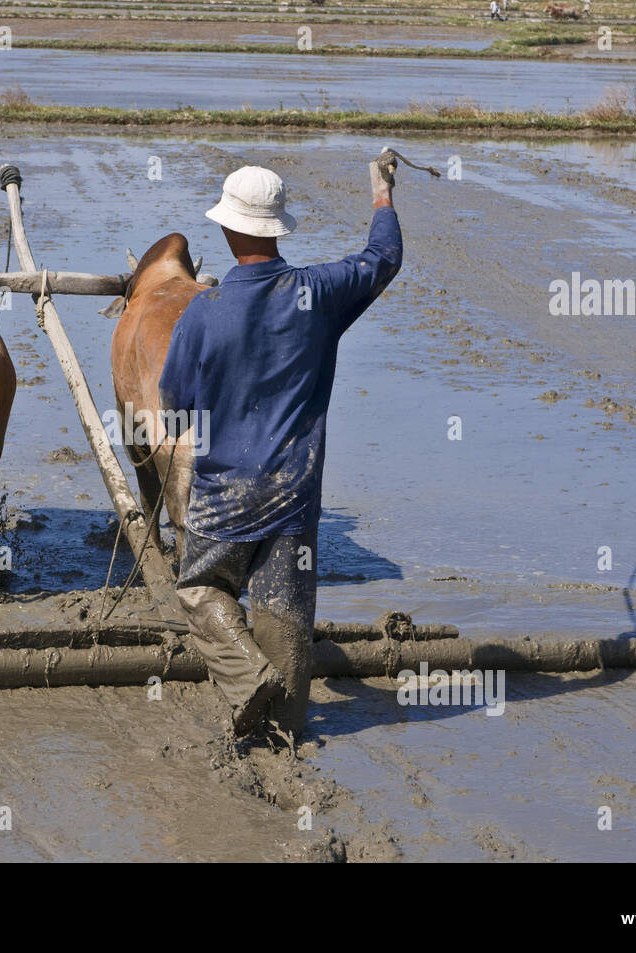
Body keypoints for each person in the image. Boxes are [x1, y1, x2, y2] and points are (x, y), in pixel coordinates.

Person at [158, 158, 402, 742]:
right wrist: (381, 193)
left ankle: (249, 683)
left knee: (198, 590)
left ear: (226, 229)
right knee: (284, 615)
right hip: (295, 490)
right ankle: (287, 735)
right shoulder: (316, 294)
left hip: (223, 492)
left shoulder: (202, 312)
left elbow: (173, 405)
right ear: (277, 228)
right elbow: (382, 260)